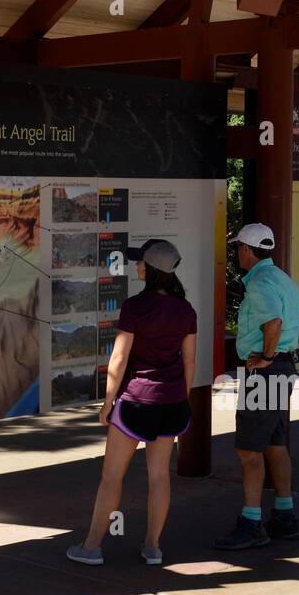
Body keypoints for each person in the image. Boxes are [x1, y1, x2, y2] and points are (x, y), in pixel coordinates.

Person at [67, 239, 197, 566]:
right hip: (171, 402)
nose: (136, 266)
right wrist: (182, 395)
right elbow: (190, 362)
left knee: (112, 477)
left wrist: (107, 403)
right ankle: (153, 547)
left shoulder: (135, 306)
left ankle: (92, 547)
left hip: (136, 401)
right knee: (159, 476)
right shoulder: (186, 310)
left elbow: (119, 358)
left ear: (151, 269)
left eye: (140, 262)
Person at [215, 223, 299, 549]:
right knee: (274, 443)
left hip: (266, 374)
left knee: (248, 448)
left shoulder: (258, 283)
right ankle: (285, 516)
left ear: (245, 249)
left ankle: (252, 521)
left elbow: (274, 321)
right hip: (283, 369)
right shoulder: (281, 278)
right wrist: (284, 350)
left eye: (236, 248)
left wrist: (269, 356)